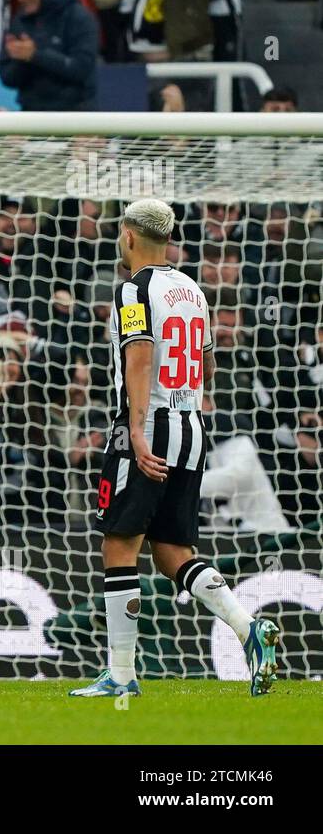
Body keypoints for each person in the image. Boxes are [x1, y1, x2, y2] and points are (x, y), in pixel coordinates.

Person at [71, 198, 281, 698]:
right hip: (192, 424)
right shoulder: (193, 290)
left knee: (120, 545)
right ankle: (249, 628)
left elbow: (139, 360)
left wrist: (138, 432)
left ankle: (120, 675)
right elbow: (208, 368)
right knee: (172, 553)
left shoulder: (132, 290)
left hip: (149, 424)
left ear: (127, 237)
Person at [0, 0, 99, 110]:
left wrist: (35, 56)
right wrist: (22, 59)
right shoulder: (19, 21)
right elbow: (7, 78)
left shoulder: (78, 17)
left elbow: (81, 69)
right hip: (31, 115)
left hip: (75, 115)